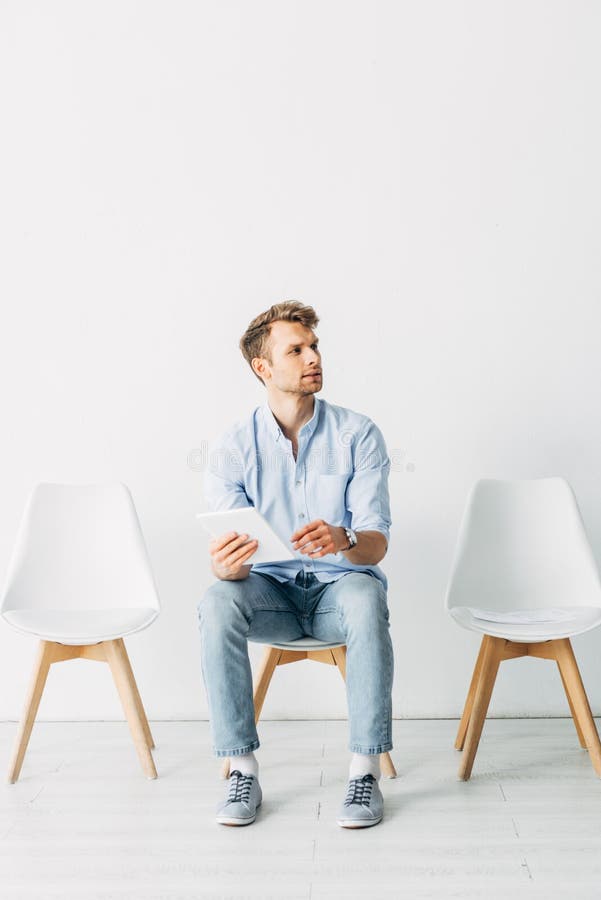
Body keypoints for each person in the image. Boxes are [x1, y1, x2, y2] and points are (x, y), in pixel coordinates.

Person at [197, 301, 393, 828]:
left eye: (315, 346)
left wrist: (343, 537)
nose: (313, 357)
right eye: (297, 349)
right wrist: (228, 568)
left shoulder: (358, 434)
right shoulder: (232, 446)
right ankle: (241, 768)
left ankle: (363, 772)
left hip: (340, 590)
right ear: (263, 368)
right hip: (271, 595)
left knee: (367, 594)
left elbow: (376, 545)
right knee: (216, 601)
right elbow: (230, 556)